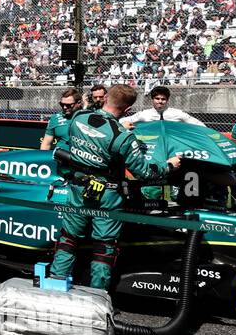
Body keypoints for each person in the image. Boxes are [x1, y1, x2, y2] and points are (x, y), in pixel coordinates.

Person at [49, 85, 181, 290]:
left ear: (106, 97)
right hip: (107, 196)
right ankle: (96, 296)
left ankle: (55, 284)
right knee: (104, 247)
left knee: (68, 238)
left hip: (77, 189)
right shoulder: (122, 136)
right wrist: (169, 165)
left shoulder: (78, 117)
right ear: (128, 109)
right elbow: (144, 172)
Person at [123, 85, 205, 128]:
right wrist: (124, 125)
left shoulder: (177, 113)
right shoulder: (144, 114)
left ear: (167, 100)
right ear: (152, 99)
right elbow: (125, 120)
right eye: (157, 98)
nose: (160, 101)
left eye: (163, 99)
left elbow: (197, 123)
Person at [40, 88, 82, 152]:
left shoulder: (87, 117)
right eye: (62, 104)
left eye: (68, 105)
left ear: (78, 103)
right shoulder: (55, 118)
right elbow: (46, 143)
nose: (64, 107)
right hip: (61, 154)